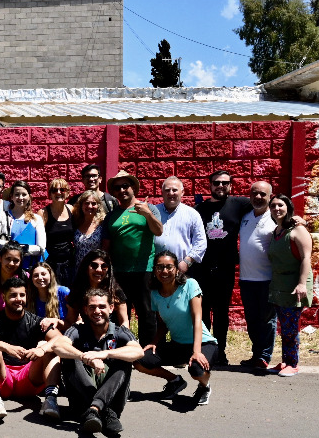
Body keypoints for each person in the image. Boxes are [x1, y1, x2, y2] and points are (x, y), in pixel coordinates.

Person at [0, 276, 65, 423]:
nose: (18, 299)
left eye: (22, 295)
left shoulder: (36, 321)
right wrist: (6, 347)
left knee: (50, 348)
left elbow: (61, 339)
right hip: (2, 379)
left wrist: (42, 349)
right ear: (4, 297)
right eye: (13, 295)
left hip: (28, 378)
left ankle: (51, 400)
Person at [53, 288, 142, 436]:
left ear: (111, 308)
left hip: (113, 403)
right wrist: (84, 357)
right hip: (81, 404)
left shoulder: (120, 331)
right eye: (92, 307)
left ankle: (95, 408)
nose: (97, 311)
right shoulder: (78, 329)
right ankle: (100, 409)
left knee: (125, 359)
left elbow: (138, 351)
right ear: (86, 310)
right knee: (69, 357)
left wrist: (104, 354)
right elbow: (58, 346)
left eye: (102, 306)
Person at [135, 250, 218, 406]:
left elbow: (197, 319)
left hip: (203, 343)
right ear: (155, 270)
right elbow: (163, 324)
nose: (164, 271)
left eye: (169, 267)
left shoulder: (190, 285)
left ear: (177, 269)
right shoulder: (155, 293)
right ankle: (175, 381)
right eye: (160, 267)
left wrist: (197, 351)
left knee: (196, 371)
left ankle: (204, 386)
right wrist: (154, 342)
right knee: (139, 360)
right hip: (178, 345)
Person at [193, 170, 252, 367]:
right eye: (216, 183)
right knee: (202, 312)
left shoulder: (239, 204)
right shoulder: (199, 209)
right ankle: (205, 350)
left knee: (221, 313)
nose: (220, 186)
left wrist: (294, 219)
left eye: (225, 183)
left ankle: (220, 352)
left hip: (225, 268)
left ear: (230, 185)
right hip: (202, 268)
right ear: (210, 185)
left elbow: (267, 204)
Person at [104, 170, 163, 343]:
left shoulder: (148, 208)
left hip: (144, 269)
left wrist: (147, 214)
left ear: (133, 188)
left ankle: (147, 350)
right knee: (120, 312)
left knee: (146, 312)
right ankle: (122, 347)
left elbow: (159, 231)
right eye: (117, 188)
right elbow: (106, 246)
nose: (122, 190)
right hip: (119, 272)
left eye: (125, 186)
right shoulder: (111, 215)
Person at [267, 194, 314, 378]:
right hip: (280, 285)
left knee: (290, 327)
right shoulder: (277, 231)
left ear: (288, 207)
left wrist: (302, 283)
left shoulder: (298, 230)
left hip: (294, 285)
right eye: (273, 206)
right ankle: (285, 361)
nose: (276, 209)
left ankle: (293, 363)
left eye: (280, 205)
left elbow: (306, 258)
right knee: (284, 326)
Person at [238, 182, 279, 370]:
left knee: (267, 320)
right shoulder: (245, 216)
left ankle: (264, 356)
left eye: (263, 194)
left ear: (270, 196)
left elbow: (293, 228)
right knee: (252, 320)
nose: (258, 197)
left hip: (267, 279)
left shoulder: (275, 217)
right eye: (254, 193)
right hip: (246, 279)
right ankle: (256, 355)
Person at [152, 176, 207, 279]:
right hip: (156, 271)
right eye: (167, 190)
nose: (171, 193)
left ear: (182, 192)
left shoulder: (192, 214)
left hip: (182, 270)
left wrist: (187, 262)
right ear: (162, 193)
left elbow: (200, 242)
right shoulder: (153, 212)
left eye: (174, 190)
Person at [0, 181, 46, 271]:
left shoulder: (36, 219)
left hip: (31, 268)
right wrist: (11, 246)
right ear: (11, 197)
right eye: (17, 194)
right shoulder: (2, 216)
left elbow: (41, 248)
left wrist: (23, 249)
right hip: (9, 267)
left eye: (24, 194)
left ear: (29, 197)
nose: (20, 198)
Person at [65, 249, 129, 327]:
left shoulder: (115, 291)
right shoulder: (78, 290)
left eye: (104, 266)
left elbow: (124, 322)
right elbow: (70, 322)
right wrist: (56, 322)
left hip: (112, 332)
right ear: (86, 268)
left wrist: (123, 334)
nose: (99, 270)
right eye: (94, 265)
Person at [42, 178, 77, 285]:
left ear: (67, 193)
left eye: (62, 190)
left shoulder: (72, 210)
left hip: (69, 262)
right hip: (50, 263)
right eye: (54, 190)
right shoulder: (43, 213)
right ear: (50, 194)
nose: (58, 192)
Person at [70, 189, 108, 281]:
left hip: (96, 271)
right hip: (78, 270)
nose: (90, 206)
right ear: (81, 205)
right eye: (86, 203)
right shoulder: (76, 222)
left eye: (93, 203)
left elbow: (106, 249)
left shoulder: (103, 223)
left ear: (98, 205)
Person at [28, 261, 69, 328]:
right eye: (36, 275)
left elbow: (78, 321)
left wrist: (58, 322)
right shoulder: (30, 297)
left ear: (50, 275)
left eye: (43, 274)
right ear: (31, 279)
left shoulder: (63, 292)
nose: (40, 277)